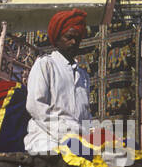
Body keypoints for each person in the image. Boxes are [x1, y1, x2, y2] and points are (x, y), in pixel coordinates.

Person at [25, 9, 92, 155]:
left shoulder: (84, 76)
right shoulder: (45, 65)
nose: (74, 42)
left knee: (122, 153)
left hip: (79, 139)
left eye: (77, 39)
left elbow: (86, 117)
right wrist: (67, 134)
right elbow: (36, 107)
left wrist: (95, 135)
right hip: (47, 137)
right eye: (69, 37)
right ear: (57, 39)